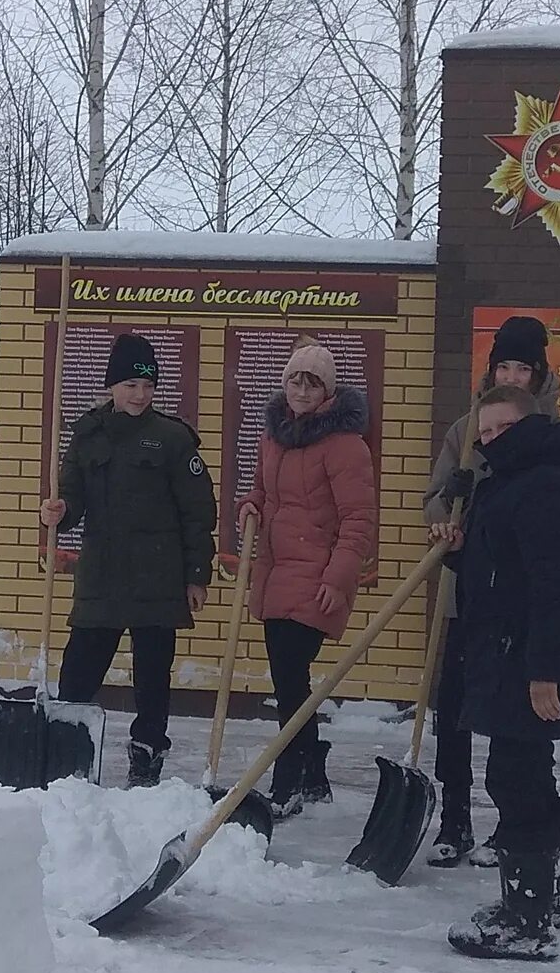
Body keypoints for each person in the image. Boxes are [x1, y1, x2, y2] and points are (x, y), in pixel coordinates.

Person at [420, 314, 560, 867]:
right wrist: (452, 504)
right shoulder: (467, 430)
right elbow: (439, 510)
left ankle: (521, 837)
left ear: (539, 374)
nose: (510, 376)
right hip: (473, 599)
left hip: (527, 611)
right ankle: (456, 819)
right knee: (455, 711)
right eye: (502, 366)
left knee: (521, 735)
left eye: (522, 368)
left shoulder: (558, 445)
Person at [446, 380, 560, 963]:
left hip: (527, 657)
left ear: (529, 424)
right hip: (507, 652)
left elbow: (554, 589)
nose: (491, 439)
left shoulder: (544, 488)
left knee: (516, 781)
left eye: (502, 428)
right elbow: (498, 568)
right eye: (484, 432)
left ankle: (526, 921)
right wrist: (459, 543)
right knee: (529, 775)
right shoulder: (509, 483)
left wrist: (543, 672)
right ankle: (542, 898)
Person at [40, 334, 215, 787]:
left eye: (148, 386)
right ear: (112, 385)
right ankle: (66, 754)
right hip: (102, 575)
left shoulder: (172, 439)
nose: (139, 395)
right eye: (130, 385)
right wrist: (59, 511)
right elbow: (72, 495)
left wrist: (197, 574)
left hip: (158, 576)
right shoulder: (87, 435)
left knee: (152, 679)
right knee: (78, 672)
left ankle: (147, 757)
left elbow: (198, 513)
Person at [239, 342, 377, 815]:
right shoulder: (274, 437)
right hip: (277, 571)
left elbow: (358, 519)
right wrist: (250, 506)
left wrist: (338, 579)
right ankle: (312, 776)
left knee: (290, 679)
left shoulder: (345, 446)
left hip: (317, 577)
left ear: (328, 392)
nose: (301, 390)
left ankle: (289, 781)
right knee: (290, 683)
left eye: (312, 383)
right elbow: (261, 490)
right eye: (295, 380)